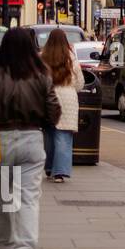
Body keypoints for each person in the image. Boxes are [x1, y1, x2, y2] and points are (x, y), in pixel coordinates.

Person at [0, 27, 60, 249]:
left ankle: (0, 247)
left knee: (1, 196)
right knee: (28, 197)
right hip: (31, 138)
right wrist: (45, 122)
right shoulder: (41, 73)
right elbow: (53, 110)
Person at [40, 29, 84, 183]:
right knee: (63, 136)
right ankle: (60, 172)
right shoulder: (71, 58)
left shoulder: (43, 57)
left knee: (50, 135)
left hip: (48, 97)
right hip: (68, 99)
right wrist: (72, 89)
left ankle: (50, 167)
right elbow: (80, 82)